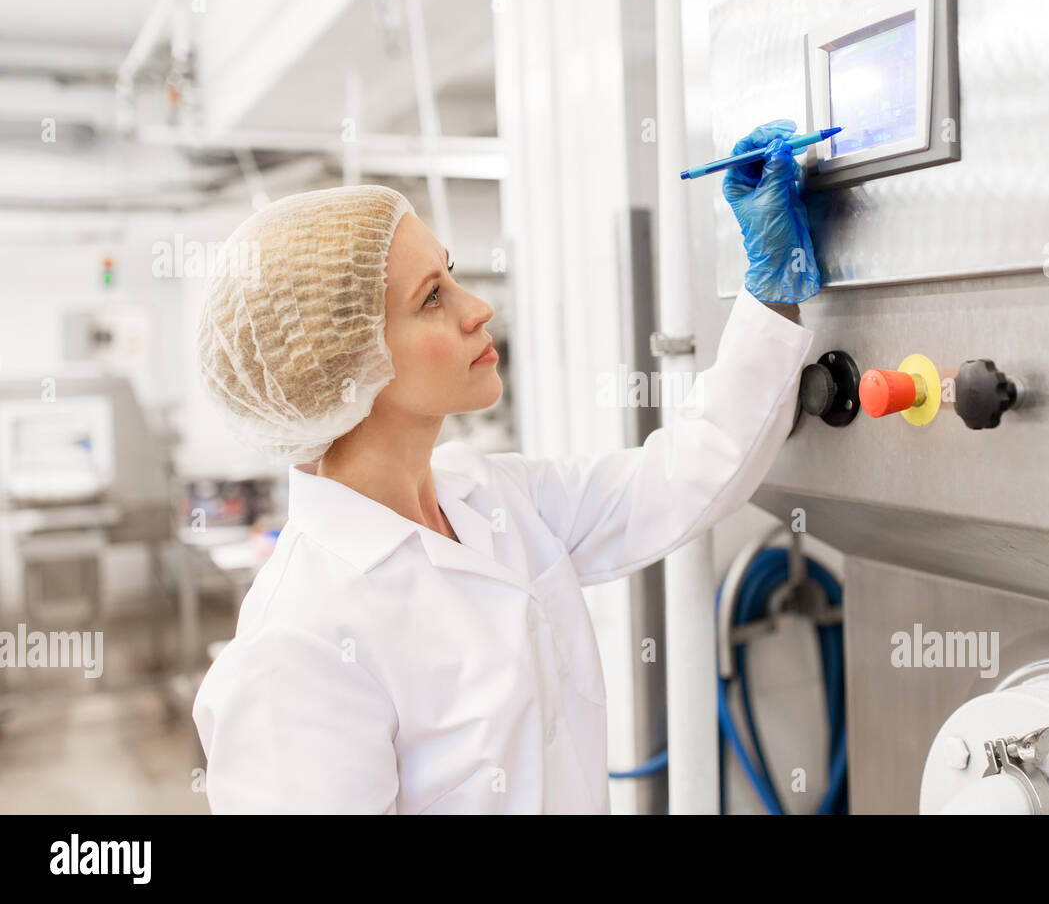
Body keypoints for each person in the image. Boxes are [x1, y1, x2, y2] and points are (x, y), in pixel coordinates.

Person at [191, 119, 821, 813]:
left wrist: (771, 285)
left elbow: (681, 480)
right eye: (431, 297)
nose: (478, 308)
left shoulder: (484, 493)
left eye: (451, 275)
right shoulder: (297, 644)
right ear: (341, 367)